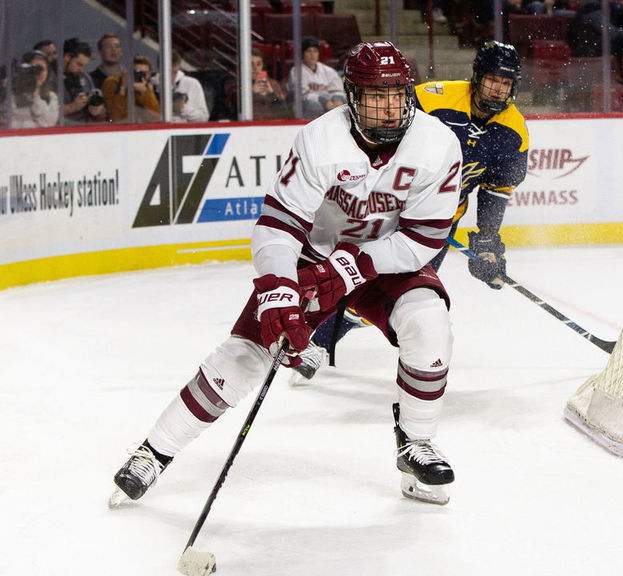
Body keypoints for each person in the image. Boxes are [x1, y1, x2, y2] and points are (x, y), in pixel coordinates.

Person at [109, 41, 463, 508]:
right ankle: (154, 452)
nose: (389, 107)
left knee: (429, 321)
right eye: (376, 96)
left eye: (397, 93)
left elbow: (424, 239)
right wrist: (277, 288)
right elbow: (278, 224)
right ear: (351, 96)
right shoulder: (322, 139)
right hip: (313, 261)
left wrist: (358, 264)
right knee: (244, 357)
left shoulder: (437, 144)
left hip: (388, 262)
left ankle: (416, 443)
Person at [291, 40, 529, 385]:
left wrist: (488, 240)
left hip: (434, 222)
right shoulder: (433, 98)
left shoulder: (514, 130)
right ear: (476, 76)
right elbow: (379, 129)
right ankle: (311, 338)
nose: (498, 88)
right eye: (493, 79)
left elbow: (494, 190)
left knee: (402, 288)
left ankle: (332, 340)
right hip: (385, 206)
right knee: (349, 274)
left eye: (506, 83)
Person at [286, 36, 346, 119]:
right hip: (306, 108)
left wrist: (337, 98)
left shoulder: (327, 70)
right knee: (313, 105)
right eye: (309, 51)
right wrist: (324, 101)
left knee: (343, 103)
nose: (312, 55)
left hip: (330, 105)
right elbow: (302, 95)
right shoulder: (296, 71)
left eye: (315, 51)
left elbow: (337, 89)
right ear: (303, 54)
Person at [150, 49, 209, 123]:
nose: (170, 77)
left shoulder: (192, 84)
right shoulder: (151, 85)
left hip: (183, 132)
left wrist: (183, 108)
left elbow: (203, 118)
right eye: (166, 73)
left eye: (174, 72)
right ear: (159, 69)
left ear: (178, 68)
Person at [61, 38, 108, 125]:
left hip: (85, 130)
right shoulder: (49, 77)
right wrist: (71, 107)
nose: (82, 70)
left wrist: (97, 110)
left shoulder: (85, 78)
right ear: (67, 57)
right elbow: (42, 113)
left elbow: (99, 113)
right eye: (79, 64)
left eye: (84, 66)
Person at [102, 53, 160, 123]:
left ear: (150, 74)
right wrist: (122, 88)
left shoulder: (148, 88)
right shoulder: (112, 83)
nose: (140, 77)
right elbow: (115, 118)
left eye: (144, 73)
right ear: (128, 72)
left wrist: (145, 93)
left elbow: (155, 119)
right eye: (136, 73)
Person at [11, 51, 59, 128]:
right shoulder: (11, 94)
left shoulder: (51, 96)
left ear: (48, 72)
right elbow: (6, 120)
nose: (38, 74)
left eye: (41, 69)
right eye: (32, 70)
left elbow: (48, 123)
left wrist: (35, 95)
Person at [248, 49, 288, 119]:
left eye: (259, 64)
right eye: (251, 64)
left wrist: (272, 94)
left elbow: (284, 112)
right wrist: (252, 93)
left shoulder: (272, 83)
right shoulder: (237, 84)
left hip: (272, 125)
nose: (255, 68)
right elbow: (233, 112)